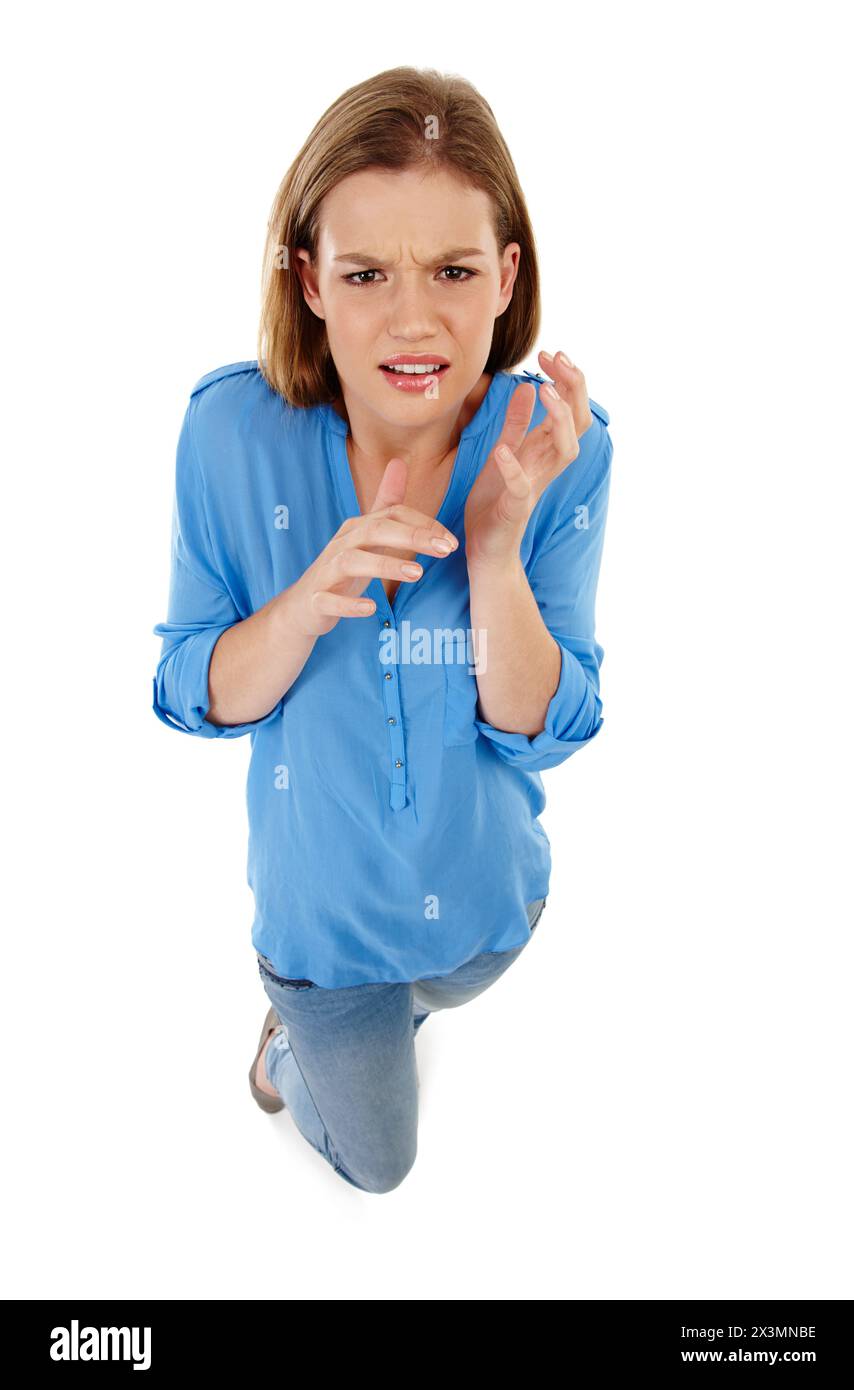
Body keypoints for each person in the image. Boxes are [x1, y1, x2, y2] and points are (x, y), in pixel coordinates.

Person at [151, 65, 613, 1194]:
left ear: (506, 276)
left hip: (496, 911)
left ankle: (407, 1010)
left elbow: (546, 728)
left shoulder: (561, 444)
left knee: (446, 987)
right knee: (377, 1167)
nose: (414, 320)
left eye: (453, 270)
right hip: (326, 947)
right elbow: (186, 690)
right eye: (365, 273)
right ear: (307, 279)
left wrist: (496, 549)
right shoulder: (226, 435)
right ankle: (288, 1039)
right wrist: (304, 603)